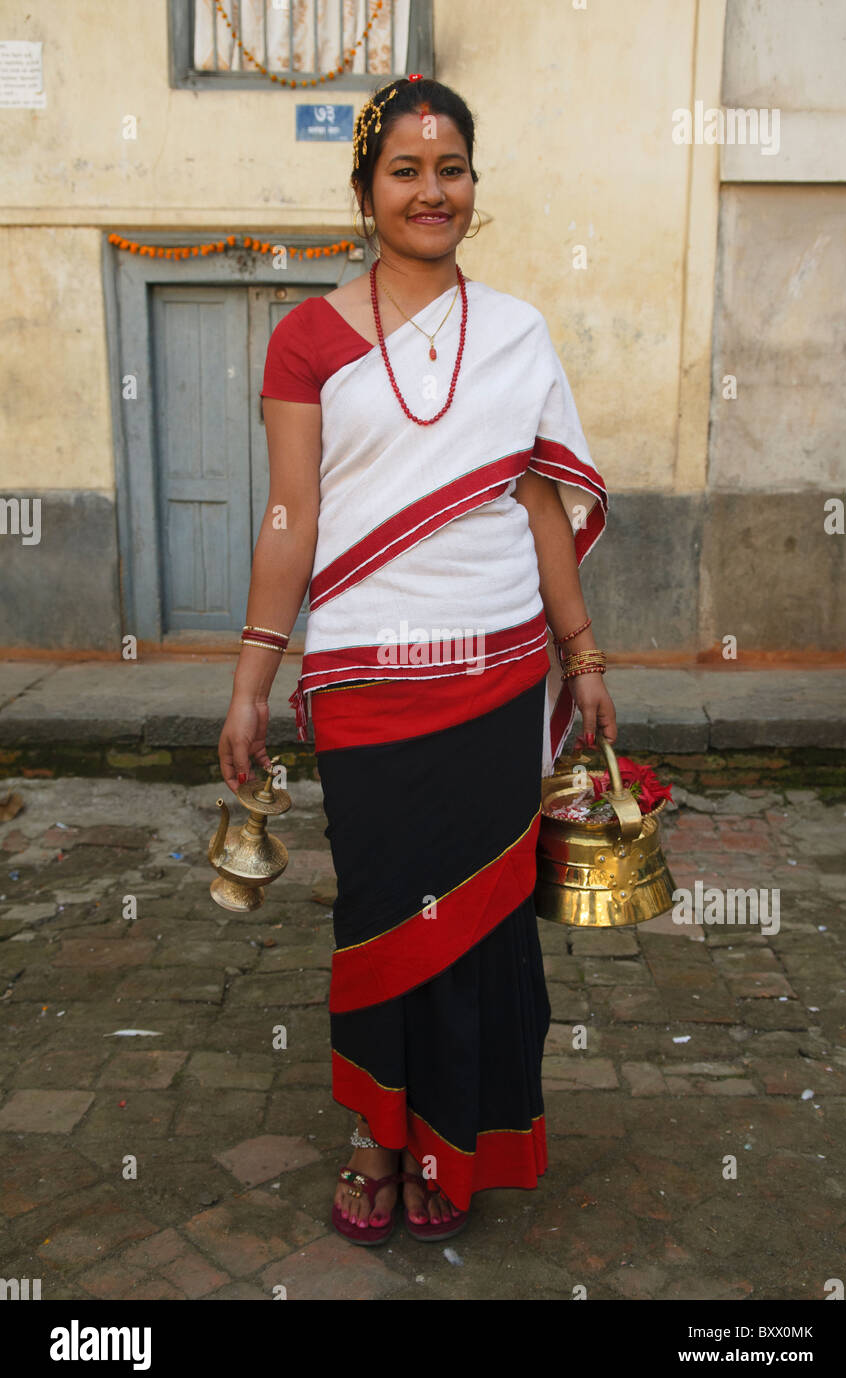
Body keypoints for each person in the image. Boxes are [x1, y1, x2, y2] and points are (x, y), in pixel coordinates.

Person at [218, 75, 617, 1246]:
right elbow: (292, 516)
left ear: (472, 188)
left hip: (495, 673)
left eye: (449, 170)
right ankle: (373, 1134)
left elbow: (541, 505)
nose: (429, 190)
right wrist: (251, 678)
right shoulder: (306, 339)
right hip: (362, 681)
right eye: (405, 170)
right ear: (364, 190)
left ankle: (455, 1133)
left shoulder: (514, 334)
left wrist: (580, 656)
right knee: (383, 909)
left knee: (484, 921)